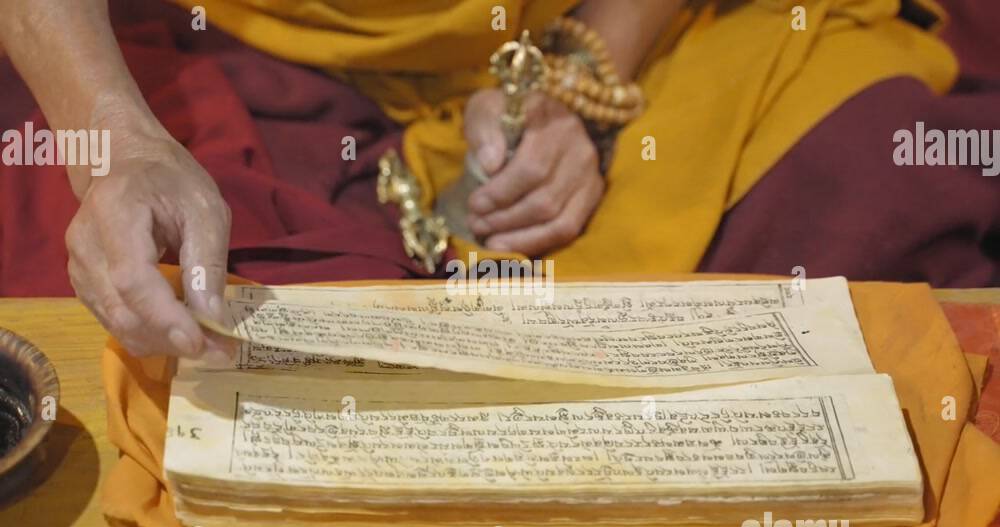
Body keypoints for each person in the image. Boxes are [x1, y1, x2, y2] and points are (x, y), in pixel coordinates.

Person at [0, 0, 974, 359]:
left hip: (618, 32)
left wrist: (576, 73)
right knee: (239, 336)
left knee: (864, 197)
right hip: (236, 41)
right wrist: (118, 141)